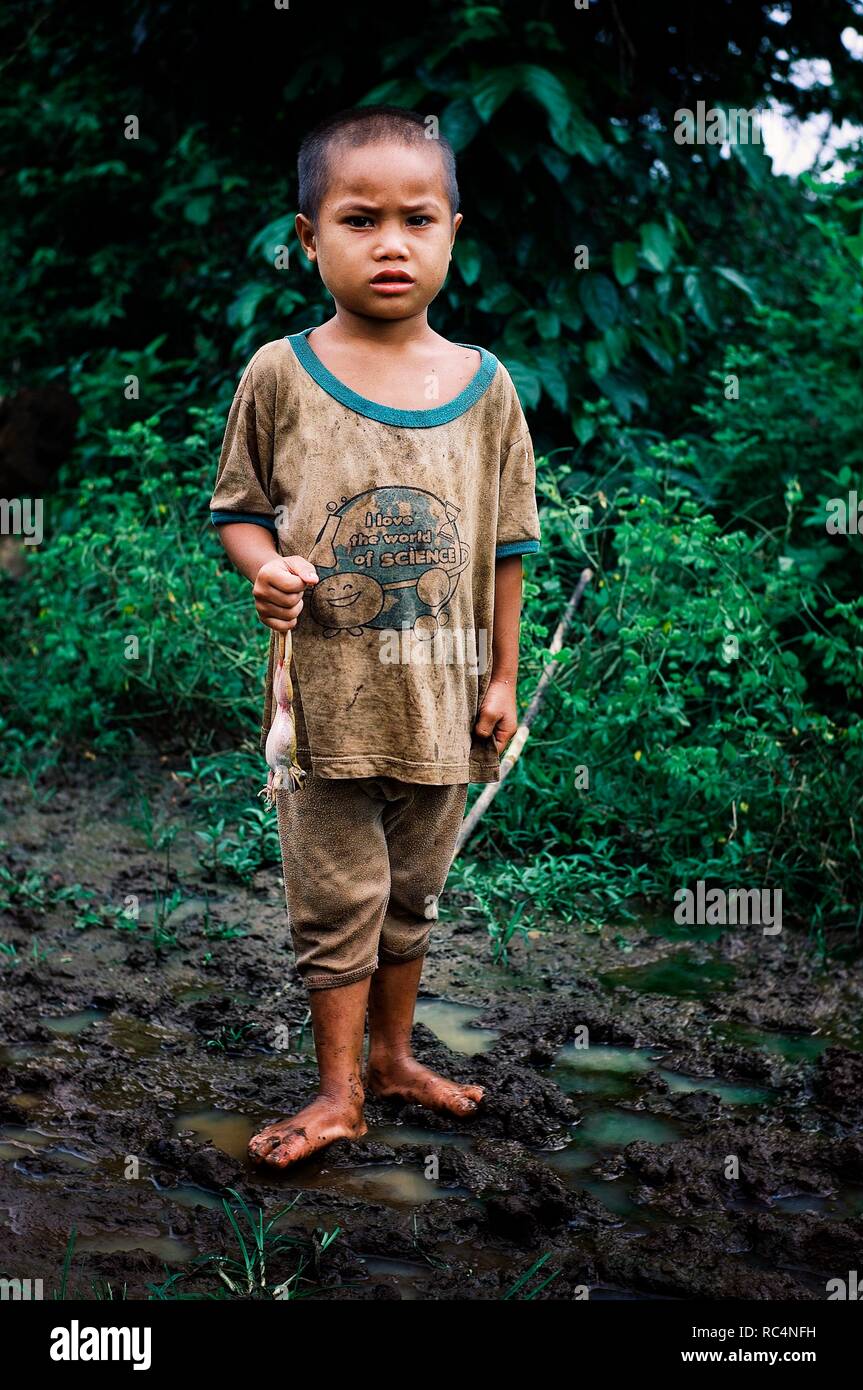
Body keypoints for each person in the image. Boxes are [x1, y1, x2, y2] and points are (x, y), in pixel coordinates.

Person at [209, 104, 541, 1168]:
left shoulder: (487, 390)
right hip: (321, 706)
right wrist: (267, 571)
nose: (390, 243)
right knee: (337, 898)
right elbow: (239, 510)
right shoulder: (279, 373)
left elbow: (503, 547)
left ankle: (397, 1057)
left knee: (413, 893)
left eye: (417, 219)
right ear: (306, 239)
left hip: (442, 704)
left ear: (453, 232)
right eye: (358, 220)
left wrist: (503, 675)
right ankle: (338, 1090)